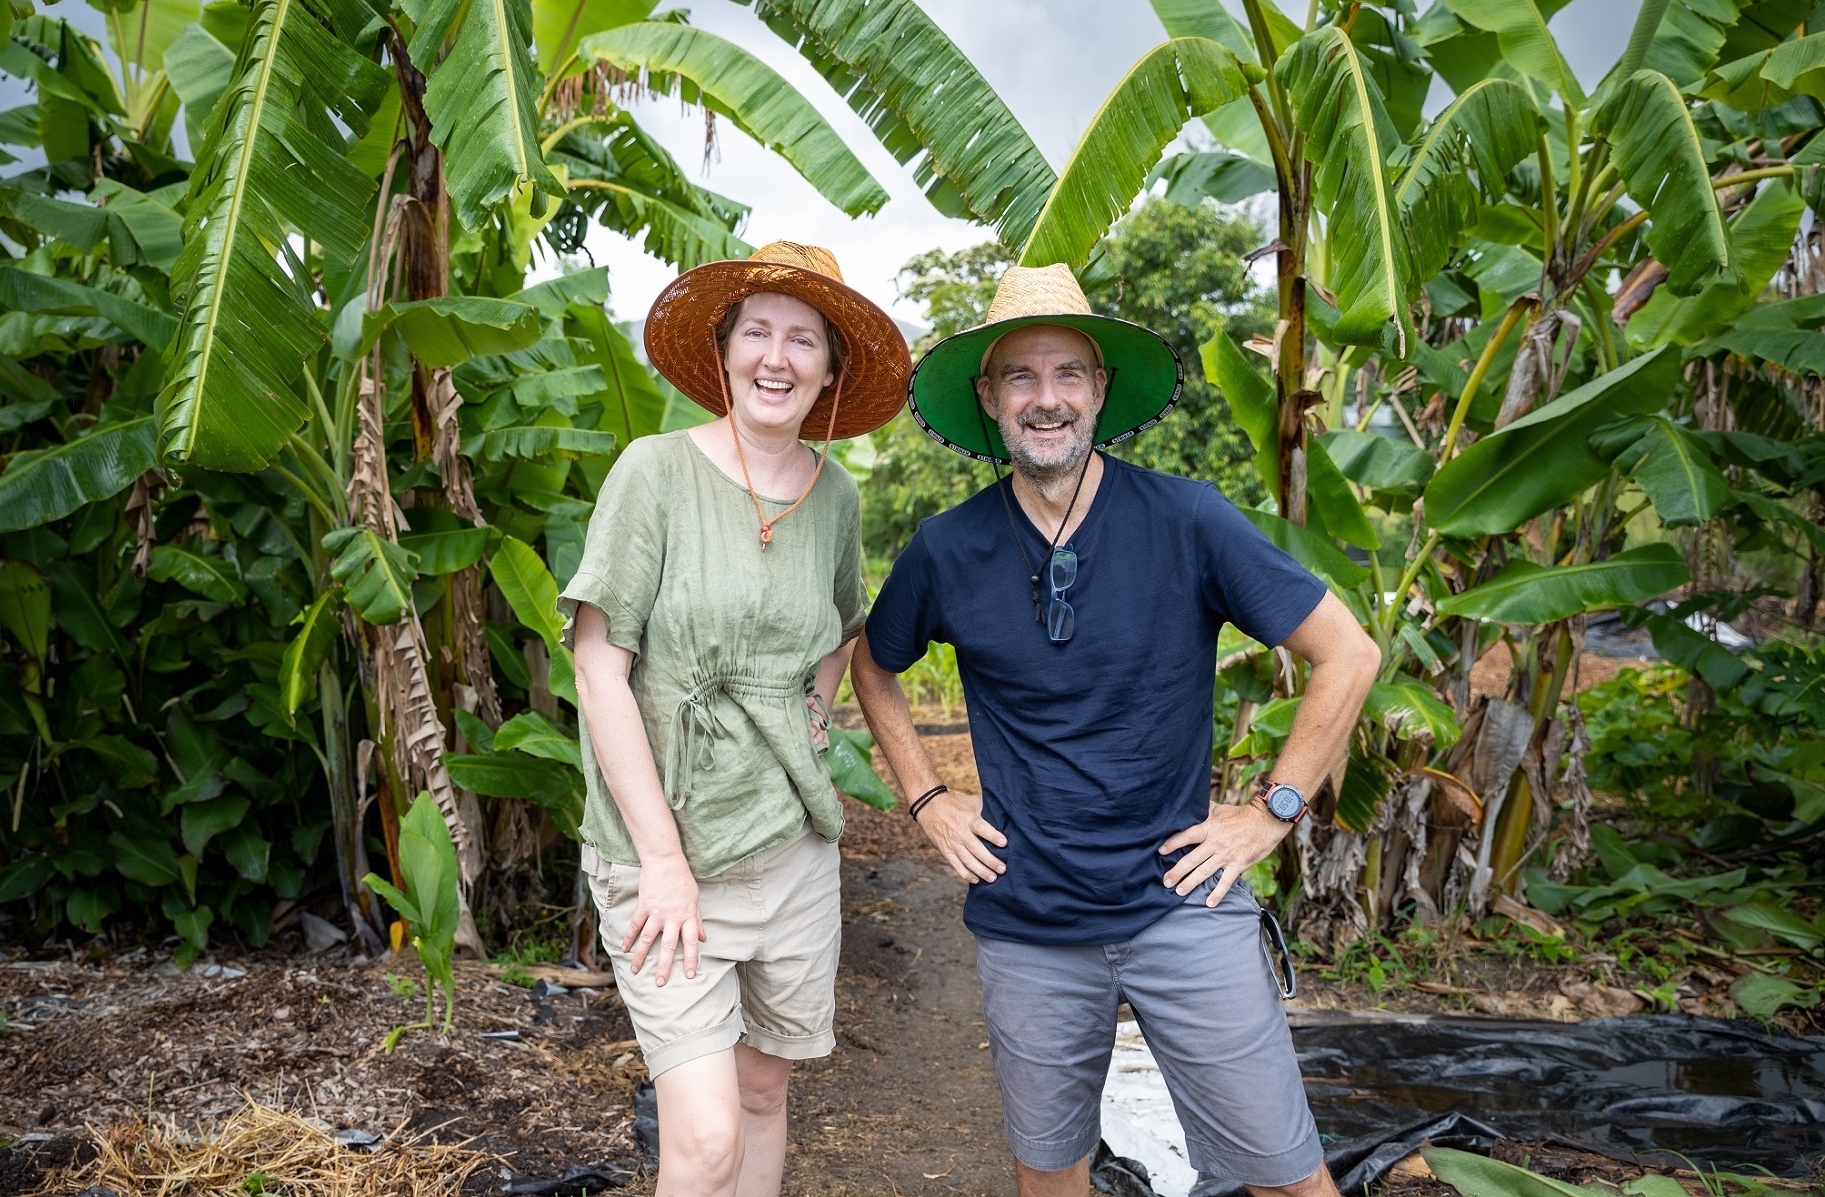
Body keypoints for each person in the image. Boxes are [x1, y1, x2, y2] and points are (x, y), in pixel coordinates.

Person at [851, 263, 1379, 1197]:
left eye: (1067, 376)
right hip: (1028, 920)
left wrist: (1273, 811)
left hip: (1184, 903)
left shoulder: (1188, 519)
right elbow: (873, 662)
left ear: (1099, 390)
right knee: (1050, 1175)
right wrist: (928, 800)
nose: (1045, 399)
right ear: (989, 398)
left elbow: (1349, 653)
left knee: (1289, 1179)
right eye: (1021, 377)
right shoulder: (948, 547)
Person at [562, 241, 910, 1197]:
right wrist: (664, 862)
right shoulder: (654, 472)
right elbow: (599, 665)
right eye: (757, 330)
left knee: (763, 1093)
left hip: (791, 848)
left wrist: (812, 715)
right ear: (722, 351)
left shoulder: (837, 495)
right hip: (666, 850)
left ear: (831, 372)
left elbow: (843, 626)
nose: (778, 357)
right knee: (706, 1140)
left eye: (805, 340)